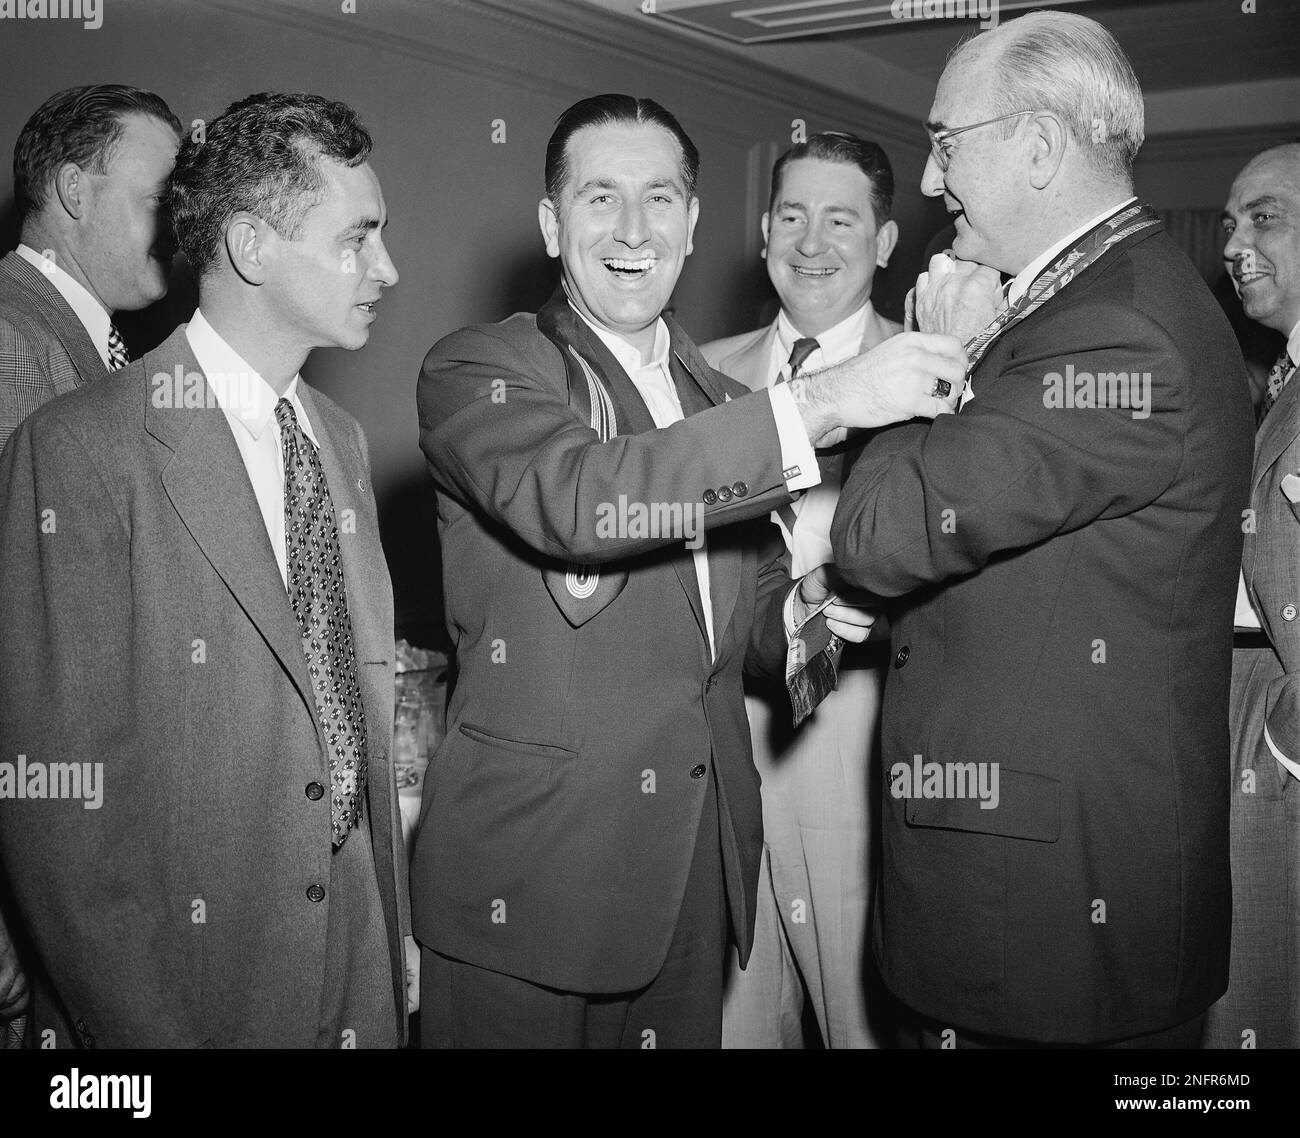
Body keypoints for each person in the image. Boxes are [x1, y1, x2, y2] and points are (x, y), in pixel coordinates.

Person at [413, 93, 967, 1048]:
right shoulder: (483, 367)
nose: (634, 230)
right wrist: (824, 403)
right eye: (600, 199)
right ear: (552, 225)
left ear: (695, 222)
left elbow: (740, 633)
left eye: (660, 199)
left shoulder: (718, 393)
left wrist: (816, 610)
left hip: (692, 879)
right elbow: (585, 503)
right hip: (533, 881)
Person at [830, 11, 1254, 1047]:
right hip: (1036, 897)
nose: (930, 183)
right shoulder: (1103, 296)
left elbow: (880, 535)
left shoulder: (1121, 328)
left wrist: (928, 361)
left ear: (1036, 144)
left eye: (943, 142)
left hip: (1051, 922)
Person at [0, 92, 412, 1048]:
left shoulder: (340, 441)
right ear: (253, 248)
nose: (387, 268)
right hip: (189, 998)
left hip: (356, 976)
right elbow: (61, 810)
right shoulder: (81, 448)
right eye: (357, 238)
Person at [701, 131, 899, 1048]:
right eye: (791, 216)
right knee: (737, 1020)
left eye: (841, 219)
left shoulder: (943, 374)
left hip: (861, 732)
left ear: (886, 242)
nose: (811, 243)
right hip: (717, 737)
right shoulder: (700, 370)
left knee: (862, 1016)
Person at [1204, 141, 1300, 1050]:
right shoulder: (1278, 380)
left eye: (1264, 217)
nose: (1235, 243)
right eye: (1230, 223)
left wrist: (1284, 741)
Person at [0, 85, 181, 451]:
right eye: (160, 201)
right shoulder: (9, 340)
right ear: (74, 191)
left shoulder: (80, 336)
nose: (177, 229)